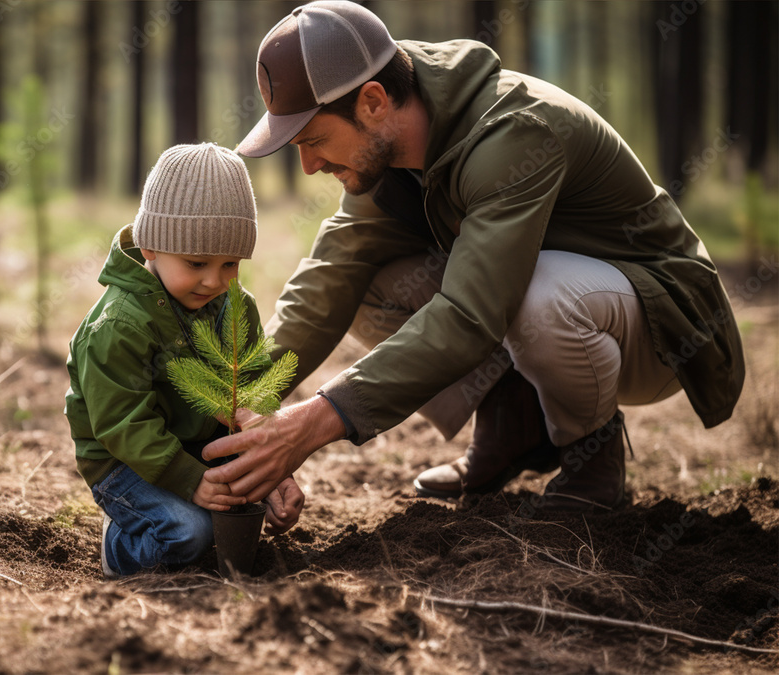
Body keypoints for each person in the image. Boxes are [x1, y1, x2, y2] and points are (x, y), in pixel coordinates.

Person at [201, 1, 744, 511]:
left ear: (372, 101)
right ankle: (515, 427)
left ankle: (591, 458)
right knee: (365, 281)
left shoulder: (513, 134)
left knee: (537, 294)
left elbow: (471, 314)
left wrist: (313, 423)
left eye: (314, 140)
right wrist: (240, 401)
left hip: (662, 320)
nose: (311, 167)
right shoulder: (389, 150)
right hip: (567, 315)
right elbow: (328, 277)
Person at [64, 143, 304, 577]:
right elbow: (121, 423)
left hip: (199, 447)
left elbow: (250, 391)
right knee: (188, 533)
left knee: (238, 506)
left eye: (230, 263)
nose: (215, 280)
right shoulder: (120, 325)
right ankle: (119, 548)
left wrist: (271, 468)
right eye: (196, 263)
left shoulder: (234, 307)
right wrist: (190, 480)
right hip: (124, 461)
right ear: (150, 246)